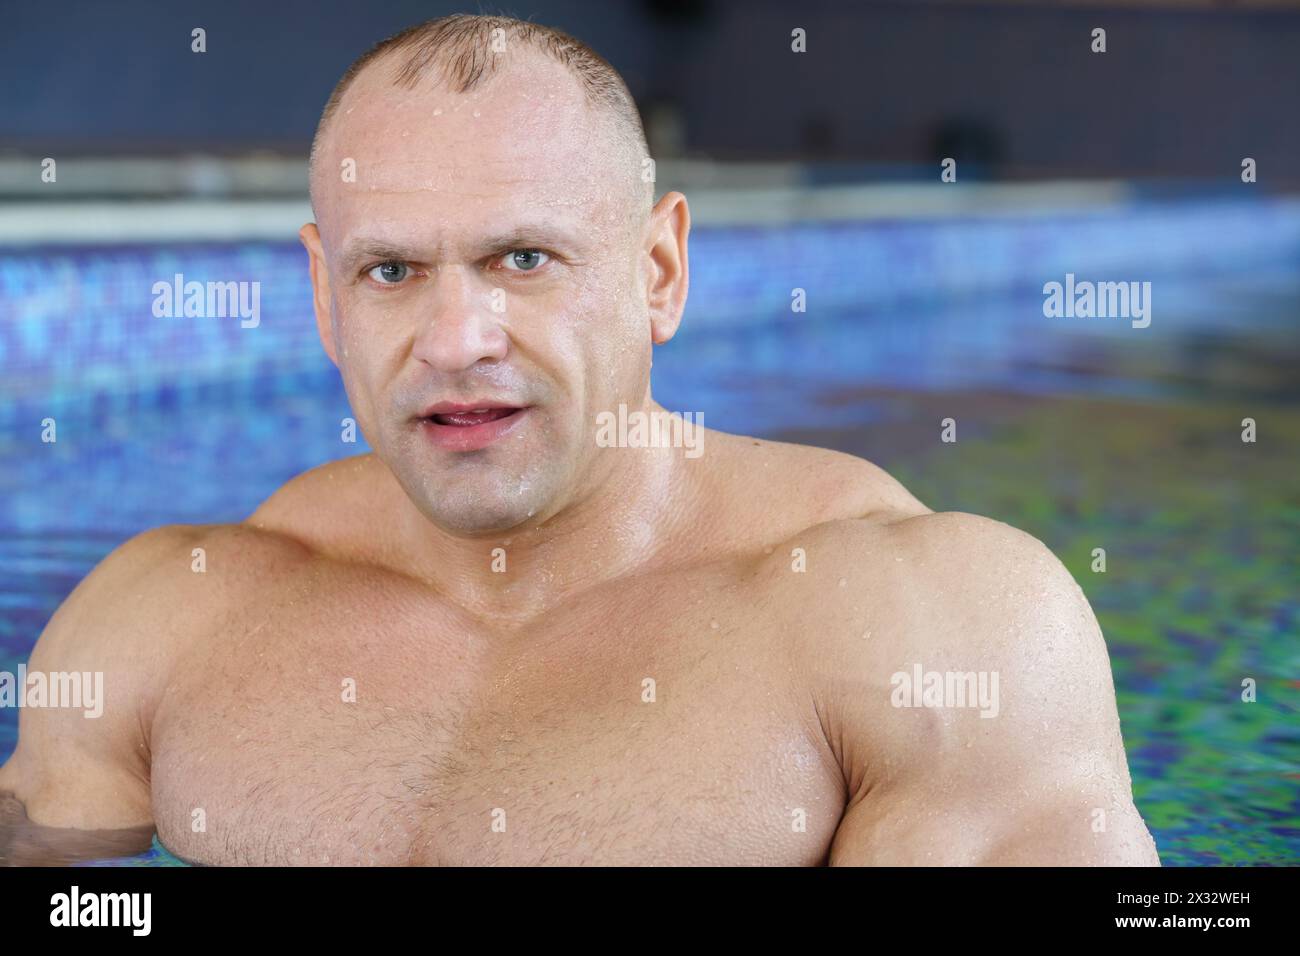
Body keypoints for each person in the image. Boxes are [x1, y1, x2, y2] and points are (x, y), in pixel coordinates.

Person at [0, 14, 1158, 866]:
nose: (454, 340)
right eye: (392, 270)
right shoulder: (169, 613)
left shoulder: (932, 624)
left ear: (658, 271)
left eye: (523, 259)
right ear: (323, 298)